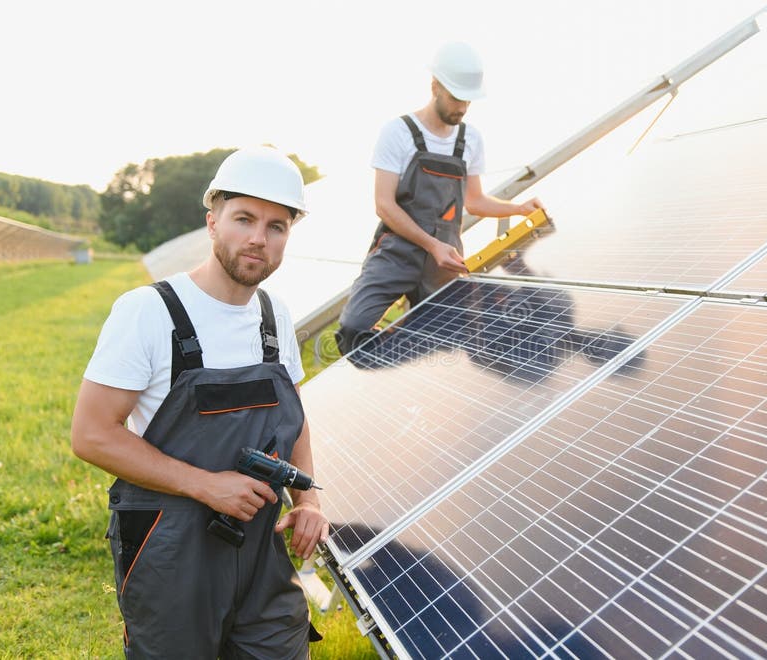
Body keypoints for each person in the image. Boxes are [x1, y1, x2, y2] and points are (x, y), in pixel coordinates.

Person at [71, 146, 329, 659]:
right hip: (171, 549)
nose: (259, 238)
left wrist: (308, 499)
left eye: (277, 226)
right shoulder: (149, 312)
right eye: (244, 219)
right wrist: (207, 486)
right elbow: (92, 434)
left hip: (258, 547)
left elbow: (292, 419)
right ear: (212, 222)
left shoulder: (274, 316)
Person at [334, 41, 544, 355]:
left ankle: (417, 380)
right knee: (353, 330)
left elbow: (474, 201)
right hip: (397, 253)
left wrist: (517, 207)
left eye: (469, 100)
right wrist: (431, 245)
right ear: (435, 86)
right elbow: (384, 204)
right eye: (456, 97)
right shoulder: (398, 132)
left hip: (445, 260)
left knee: (451, 341)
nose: (462, 107)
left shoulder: (471, 139)